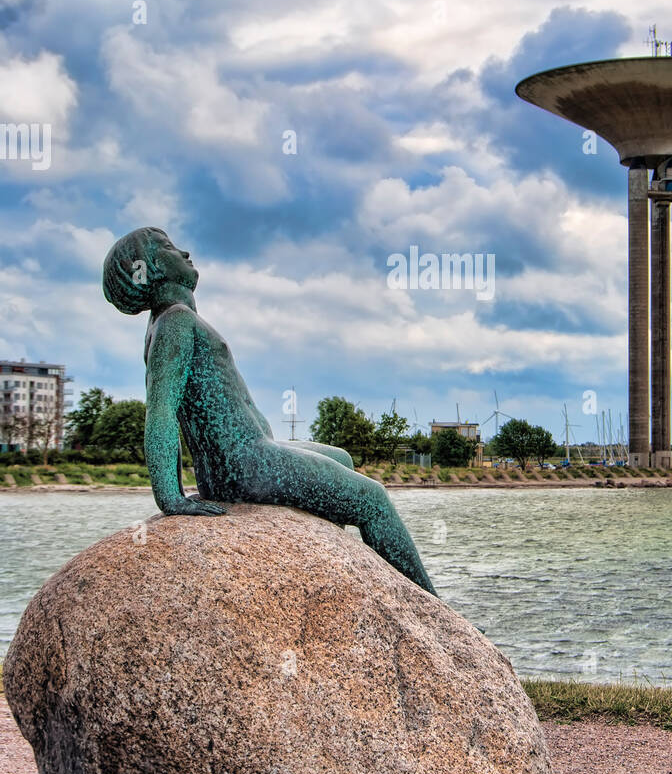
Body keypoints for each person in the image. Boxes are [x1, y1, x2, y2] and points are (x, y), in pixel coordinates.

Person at [102, 227, 436, 595]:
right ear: (145, 269)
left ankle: (334, 564)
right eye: (168, 248)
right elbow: (161, 411)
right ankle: (435, 609)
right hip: (247, 466)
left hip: (250, 456)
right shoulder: (175, 321)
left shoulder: (172, 322)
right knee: (373, 500)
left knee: (342, 456)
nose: (184, 252)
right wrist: (171, 498)